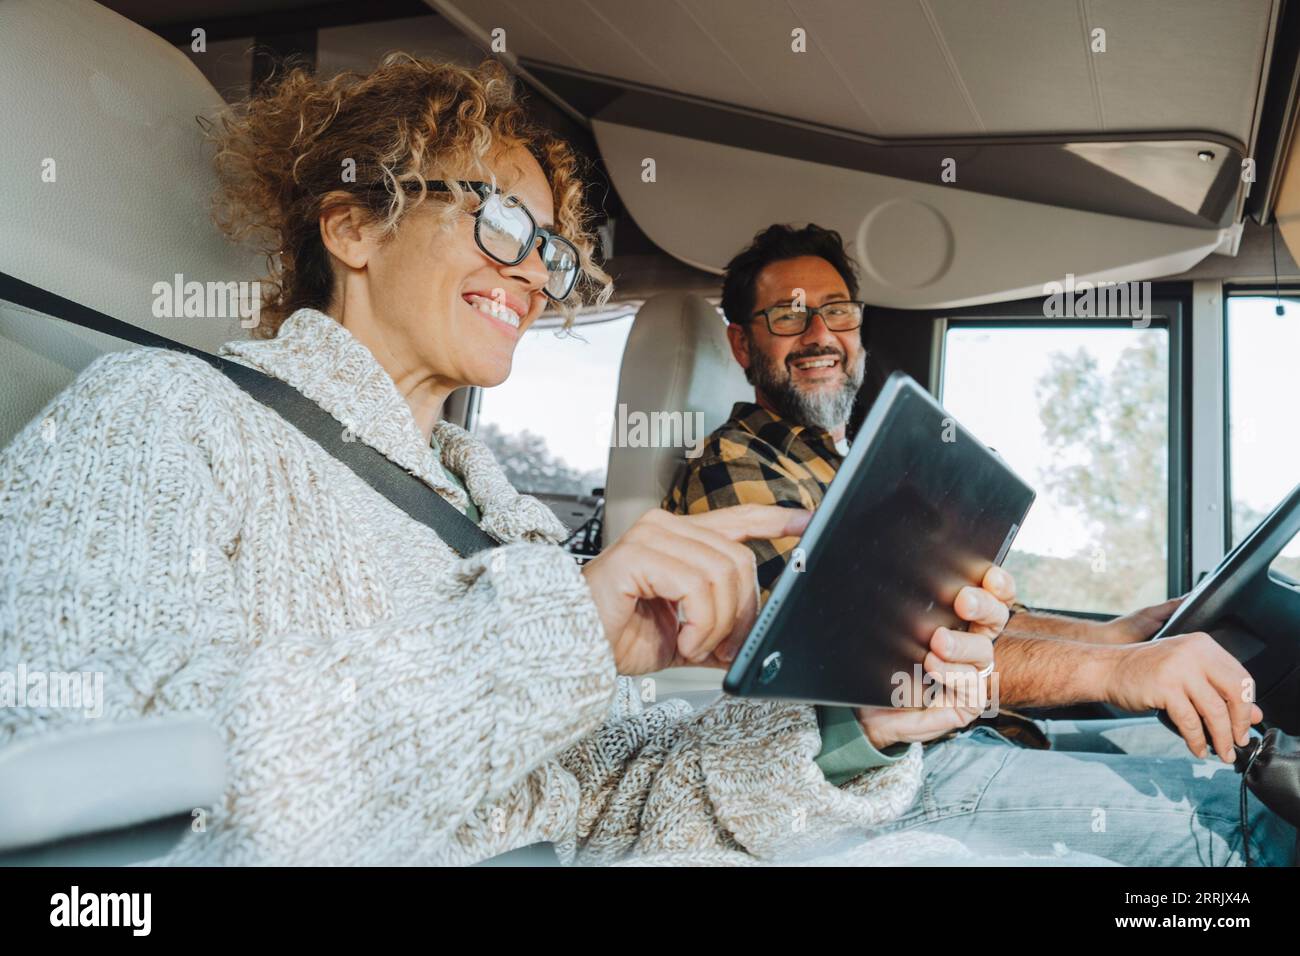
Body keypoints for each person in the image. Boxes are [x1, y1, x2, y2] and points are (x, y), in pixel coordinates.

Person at [0, 57, 1016, 866]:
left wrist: (856, 734)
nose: (534, 271)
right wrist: (556, 630)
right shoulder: (163, 414)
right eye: (500, 223)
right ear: (353, 223)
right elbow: (74, 776)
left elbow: (611, 802)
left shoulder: (501, 515)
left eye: (552, 252)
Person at [664, 222, 1296, 865]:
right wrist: (1114, 669)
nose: (821, 335)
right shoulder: (736, 469)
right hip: (882, 774)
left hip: (969, 733)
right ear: (742, 344)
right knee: (1245, 824)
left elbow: (949, 624)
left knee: (1243, 756)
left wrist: (1113, 634)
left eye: (837, 311)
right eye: (789, 316)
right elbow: (848, 661)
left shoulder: (854, 465)